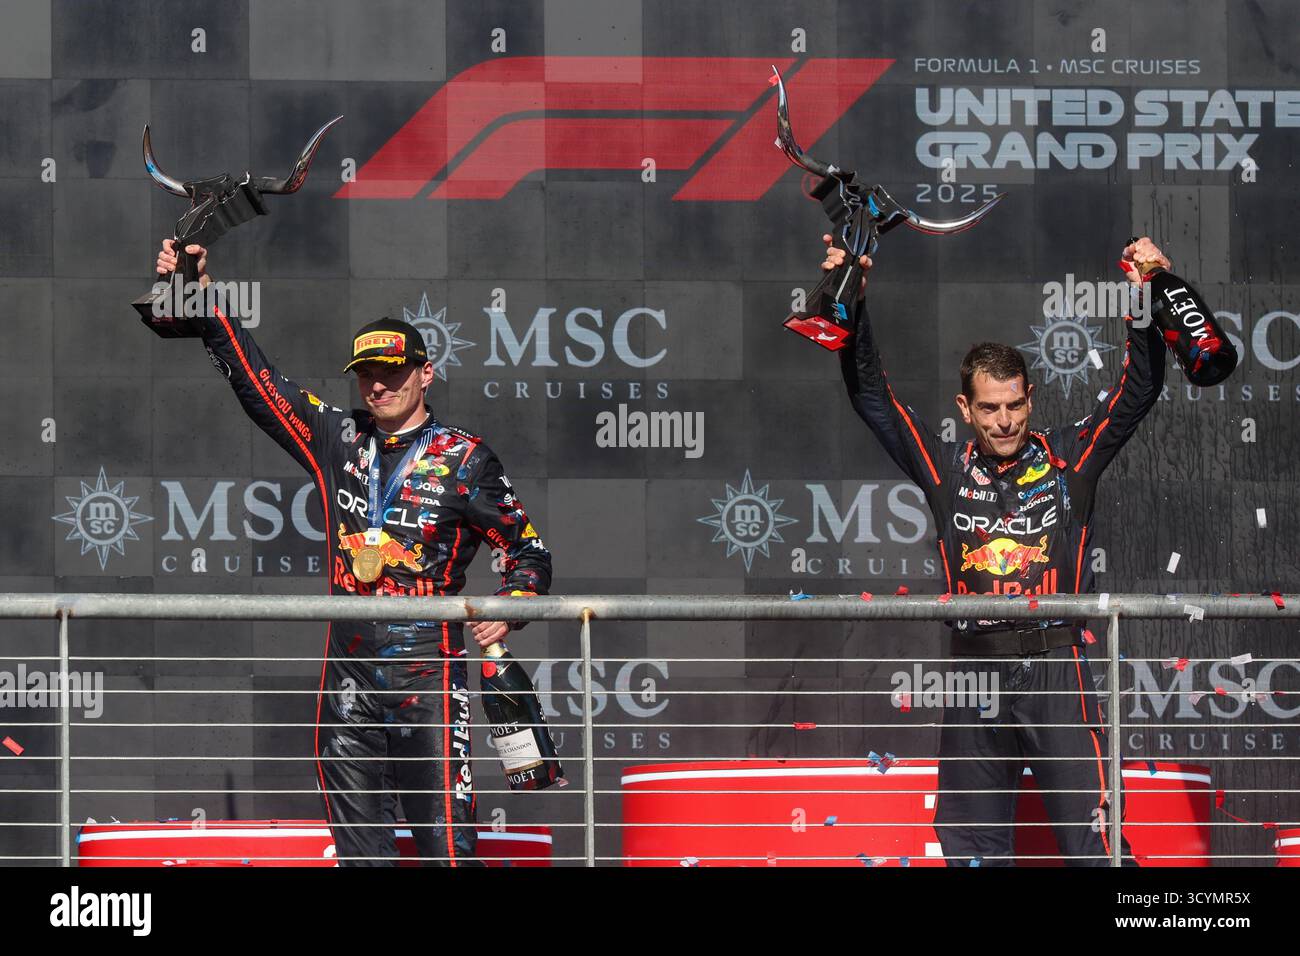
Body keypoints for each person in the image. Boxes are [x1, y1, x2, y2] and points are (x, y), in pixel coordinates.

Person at [154, 239, 553, 866]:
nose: (379, 385)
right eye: (367, 374)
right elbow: (261, 385)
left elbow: (528, 552)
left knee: (446, 848)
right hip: (347, 678)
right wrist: (202, 296)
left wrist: (512, 604)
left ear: (425, 374)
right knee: (360, 854)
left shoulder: (466, 458)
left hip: (428, 673)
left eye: (393, 372)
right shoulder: (338, 437)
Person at [823, 234, 1172, 866]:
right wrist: (854, 298)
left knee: (1093, 842)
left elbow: (1138, 392)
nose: (1005, 421)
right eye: (990, 408)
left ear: (1030, 399)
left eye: (1015, 405)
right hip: (974, 670)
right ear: (966, 408)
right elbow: (874, 398)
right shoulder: (945, 467)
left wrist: (1147, 295)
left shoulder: (1070, 458)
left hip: (1057, 665)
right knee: (971, 848)